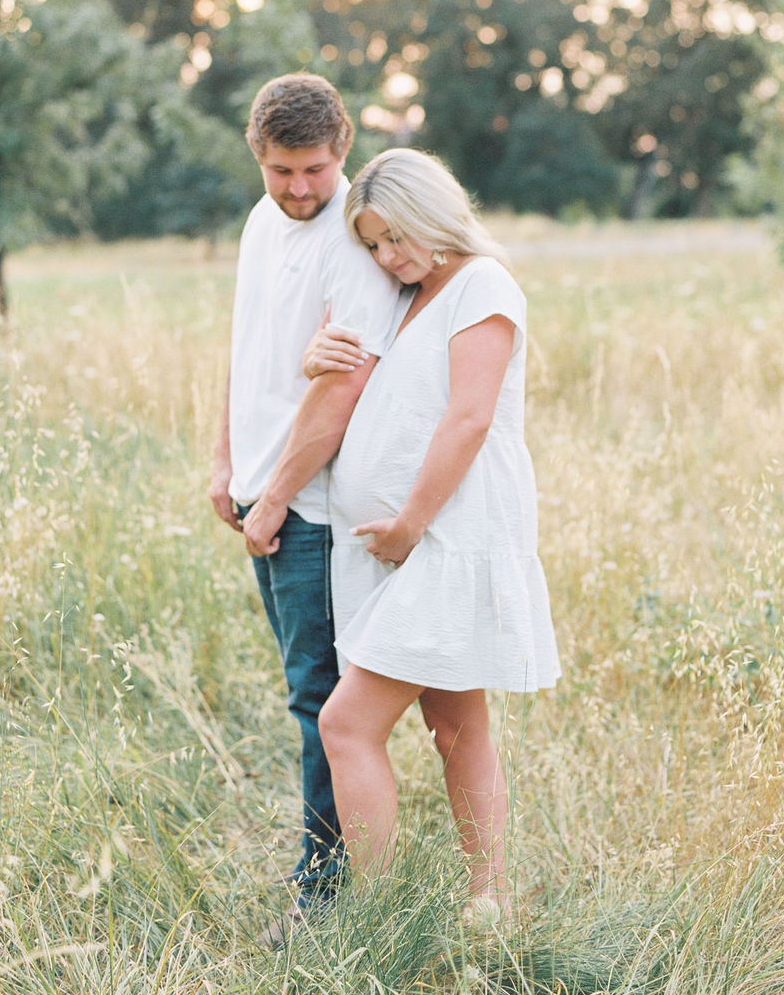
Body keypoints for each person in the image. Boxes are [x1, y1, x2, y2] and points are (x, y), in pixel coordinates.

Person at [305, 147, 560, 923]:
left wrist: (410, 524)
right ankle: (489, 903)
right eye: (373, 243)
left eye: (394, 237)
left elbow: (469, 415)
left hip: (448, 536)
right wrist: (314, 357)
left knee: (345, 724)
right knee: (456, 725)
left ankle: (377, 917)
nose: (386, 256)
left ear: (431, 213)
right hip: (411, 544)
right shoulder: (411, 295)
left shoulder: (481, 284)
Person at [208, 74, 400, 936]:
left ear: (345, 145)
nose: (299, 189)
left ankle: (322, 896)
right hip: (263, 497)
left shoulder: (354, 240)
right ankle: (340, 869)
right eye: (282, 171)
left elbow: (341, 392)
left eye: (315, 170)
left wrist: (276, 498)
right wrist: (228, 464)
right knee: (309, 695)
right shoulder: (259, 223)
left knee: (321, 702)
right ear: (258, 154)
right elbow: (247, 349)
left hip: (313, 512)